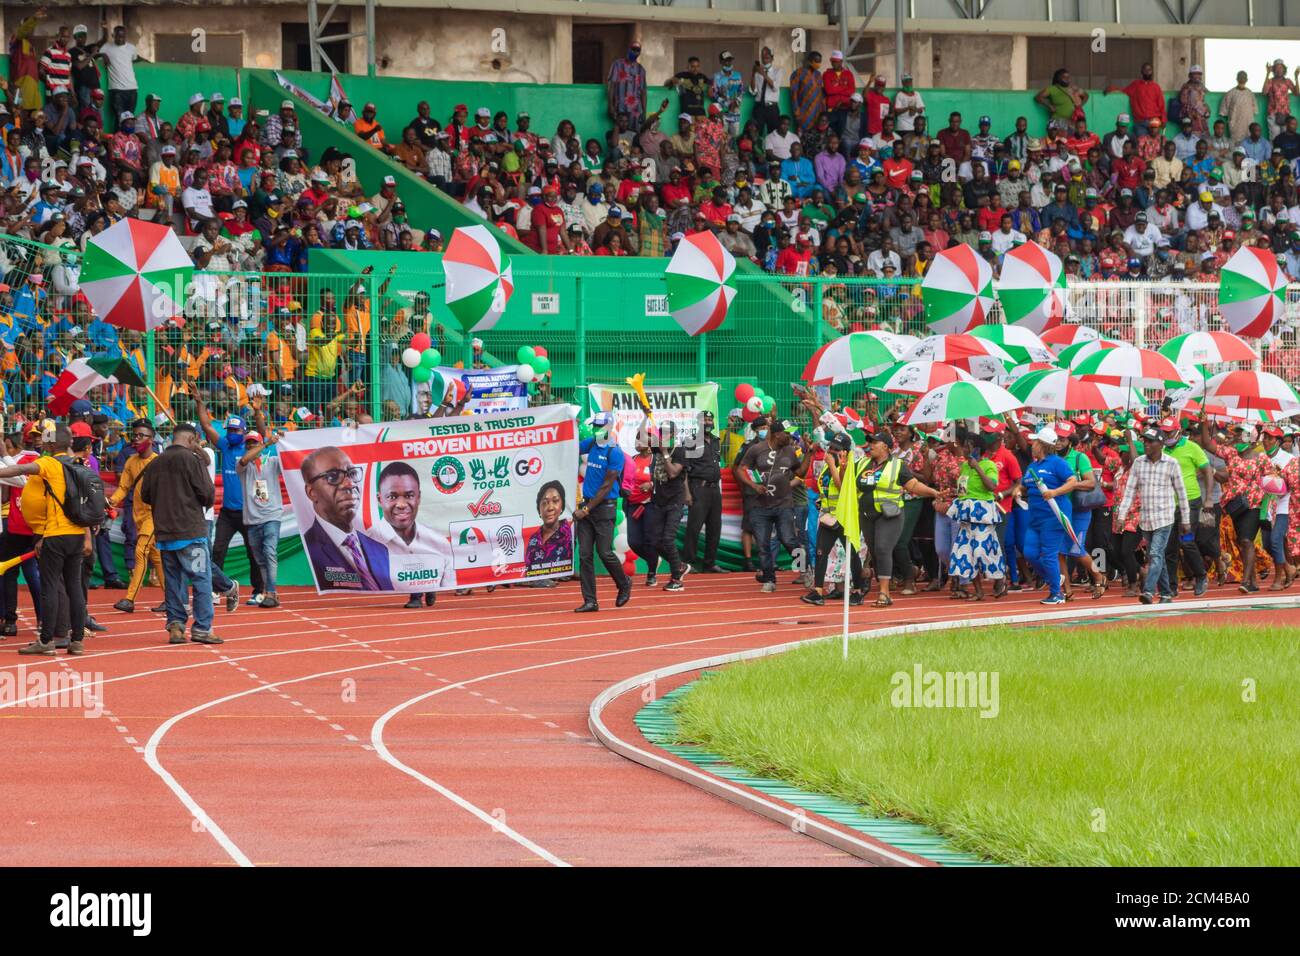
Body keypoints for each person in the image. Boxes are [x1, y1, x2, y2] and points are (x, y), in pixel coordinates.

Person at [0, 425, 92, 655]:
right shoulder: (78, 465)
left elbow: (20, 470)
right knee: (74, 586)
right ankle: (77, 640)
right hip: (76, 534)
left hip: (55, 534)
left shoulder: (50, 463)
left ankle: (46, 640)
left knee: (49, 587)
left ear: (51, 445)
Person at [140, 424, 234, 645]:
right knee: (201, 580)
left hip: (164, 535)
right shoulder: (193, 460)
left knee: (173, 582)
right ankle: (202, 627)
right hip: (191, 532)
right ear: (193, 440)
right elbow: (208, 495)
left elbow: (145, 495)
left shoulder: (155, 463)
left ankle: (176, 626)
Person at [195, 397, 267, 604]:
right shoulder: (225, 446)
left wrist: (257, 412)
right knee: (217, 550)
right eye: (230, 431)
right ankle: (216, 591)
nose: (232, 434)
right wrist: (200, 402)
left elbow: (262, 435)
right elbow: (206, 425)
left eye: (236, 431)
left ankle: (258, 591)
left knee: (253, 553)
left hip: (248, 512)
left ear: (244, 432)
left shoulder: (250, 450)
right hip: (227, 512)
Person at [857, 428, 937, 607]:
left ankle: (884, 593)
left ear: (885, 447)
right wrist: (842, 467)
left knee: (883, 548)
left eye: (874, 442)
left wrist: (934, 493)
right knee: (876, 552)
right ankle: (889, 581)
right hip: (866, 515)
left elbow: (913, 485)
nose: (870, 445)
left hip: (890, 514)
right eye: (869, 442)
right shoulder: (861, 463)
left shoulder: (897, 465)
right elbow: (844, 483)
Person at [1114, 427, 1192, 605]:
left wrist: (1186, 519)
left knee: (1155, 554)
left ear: (1161, 443)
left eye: (1150, 441)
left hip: (1164, 517)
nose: (1146, 444)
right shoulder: (1139, 463)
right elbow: (1130, 491)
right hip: (1146, 519)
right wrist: (1121, 517)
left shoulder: (1171, 463)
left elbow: (1181, 493)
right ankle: (1166, 593)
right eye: (1145, 441)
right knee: (1158, 556)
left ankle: (1148, 591)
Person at [299, 446, 392, 591]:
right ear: (312, 492)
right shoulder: (310, 549)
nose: (350, 484)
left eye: (352, 473)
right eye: (333, 476)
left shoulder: (380, 550)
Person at [736, 419, 810, 593]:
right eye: (787, 433)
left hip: (784, 503)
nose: (790, 436)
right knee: (763, 544)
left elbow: (800, 472)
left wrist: (809, 453)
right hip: (759, 506)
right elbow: (740, 469)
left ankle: (805, 570)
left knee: (789, 540)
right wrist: (753, 486)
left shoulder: (790, 451)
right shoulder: (756, 449)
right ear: (777, 434)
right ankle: (769, 579)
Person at [366, 460, 454, 604]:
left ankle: (423, 592)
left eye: (408, 496)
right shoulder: (369, 539)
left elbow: (451, 579)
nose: (401, 504)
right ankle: (419, 594)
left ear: (418, 497)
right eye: (392, 497)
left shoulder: (437, 541)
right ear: (379, 499)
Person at [573, 412, 631, 612]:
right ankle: (590, 601)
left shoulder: (614, 452)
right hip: (587, 507)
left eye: (601, 426)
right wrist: (570, 427)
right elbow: (570, 446)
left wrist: (587, 509)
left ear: (610, 426)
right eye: (595, 426)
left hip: (604, 508)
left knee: (604, 552)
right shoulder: (591, 443)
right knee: (584, 554)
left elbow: (607, 486)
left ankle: (624, 583)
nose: (597, 429)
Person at [802, 431, 865, 606]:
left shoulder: (850, 465)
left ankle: (858, 591)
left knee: (852, 554)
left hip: (845, 518)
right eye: (831, 447)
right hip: (828, 517)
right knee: (821, 553)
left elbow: (842, 486)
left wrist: (834, 465)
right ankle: (818, 591)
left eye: (836, 449)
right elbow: (827, 488)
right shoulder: (828, 465)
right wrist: (821, 501)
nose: (831, 451)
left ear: (845, 452)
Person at [108, 419, 164, 615]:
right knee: (157, 557)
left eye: (141, 435)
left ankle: (130, 598)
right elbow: (124, 487)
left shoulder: (158, 462)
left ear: (151, 439)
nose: (136, 438)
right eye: (135, 435)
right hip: (137, 516)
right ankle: (172, 598)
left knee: (140, 552)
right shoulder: (131, 461)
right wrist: (112, 501)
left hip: (154, 516)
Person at [1021, 425, 1080, 606]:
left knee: (1049, 554)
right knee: (1029, 553)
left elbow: (1072, 481)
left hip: (1053, 516)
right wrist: (1018, 490)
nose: (1032, 445)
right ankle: (1054, 577)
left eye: (1035, 442)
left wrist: (1054, 492)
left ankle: (1057, 594)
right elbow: (1024, 485)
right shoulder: (1033, 465)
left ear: (1043, 445)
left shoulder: (1057, 463)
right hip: (1035, 518)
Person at [949, 431, 1006, 600]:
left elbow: (991, 486)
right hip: (967, 515)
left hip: (982, 515)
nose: (964, 449)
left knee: (982, 552)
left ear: (976, 449)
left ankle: (1001, 578)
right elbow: (963, 490)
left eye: (968, 446)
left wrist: (978, 467)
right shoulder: (964, 466)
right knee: (966, 553)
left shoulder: (989, 465)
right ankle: (978, 591)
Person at [236, 430, 287, 609]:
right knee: (260, 559)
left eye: (254, 442)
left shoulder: (271, 462)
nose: (250, 445)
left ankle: (271, 592)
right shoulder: (242, 464)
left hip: (272, 516)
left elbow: (291, 460)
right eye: (248, 443)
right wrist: (265, 444)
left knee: (269, 552)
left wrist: (285, 440)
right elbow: (244, 460)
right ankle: (268, 591)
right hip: (252, 519)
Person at [0, 429, 42, 637]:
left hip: (23, 528)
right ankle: (40, 618)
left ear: (17, 446)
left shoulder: (26, 461)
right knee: (29, 574)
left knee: (16, 573)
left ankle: (10, 620)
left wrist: (5, 456)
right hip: (24, 528)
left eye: (7, 446)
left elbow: (19, 480)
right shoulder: (34, 458)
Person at [646, 420, 690, 592]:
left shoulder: (680, 451)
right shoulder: (657, 447)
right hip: (659, 501)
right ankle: (679, 565)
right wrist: (645, 416)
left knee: (668, 539)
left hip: (675, 501)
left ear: (673, 434)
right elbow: (642, 437)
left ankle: (676, 579)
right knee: (654, 541)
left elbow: (672, 473)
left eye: (666, 433)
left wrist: (664, 453)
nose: (663, 436)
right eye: (661, 432)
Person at [682, 410, 722, 573]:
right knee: (694, 528)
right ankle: (688, 564)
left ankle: (709, 563)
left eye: (710, 419)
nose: (707, 422)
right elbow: (684, 470)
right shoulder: (691, 441)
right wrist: (687, 493)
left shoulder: (715, 441)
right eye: (704, 420)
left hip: (715, 490)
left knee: (715, 528)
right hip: (698, 489)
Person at [621, 434, 659, 586]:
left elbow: (666, 479)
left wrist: (652, 485)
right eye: (636, 439)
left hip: (650, 505)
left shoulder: (655, 460)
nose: (637, 442)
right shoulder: (632, 459)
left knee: (650, 540)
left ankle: (651, 573)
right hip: (633, 505)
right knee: (634, 542)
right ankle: (653, 560)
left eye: (640, 440)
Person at [523, 479, 572, 584]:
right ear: (539, 510)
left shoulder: (569, 534)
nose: (550, 508)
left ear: (562, 506)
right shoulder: (533, 539)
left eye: (555, 501)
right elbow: (528, 570)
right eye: (544, 503)